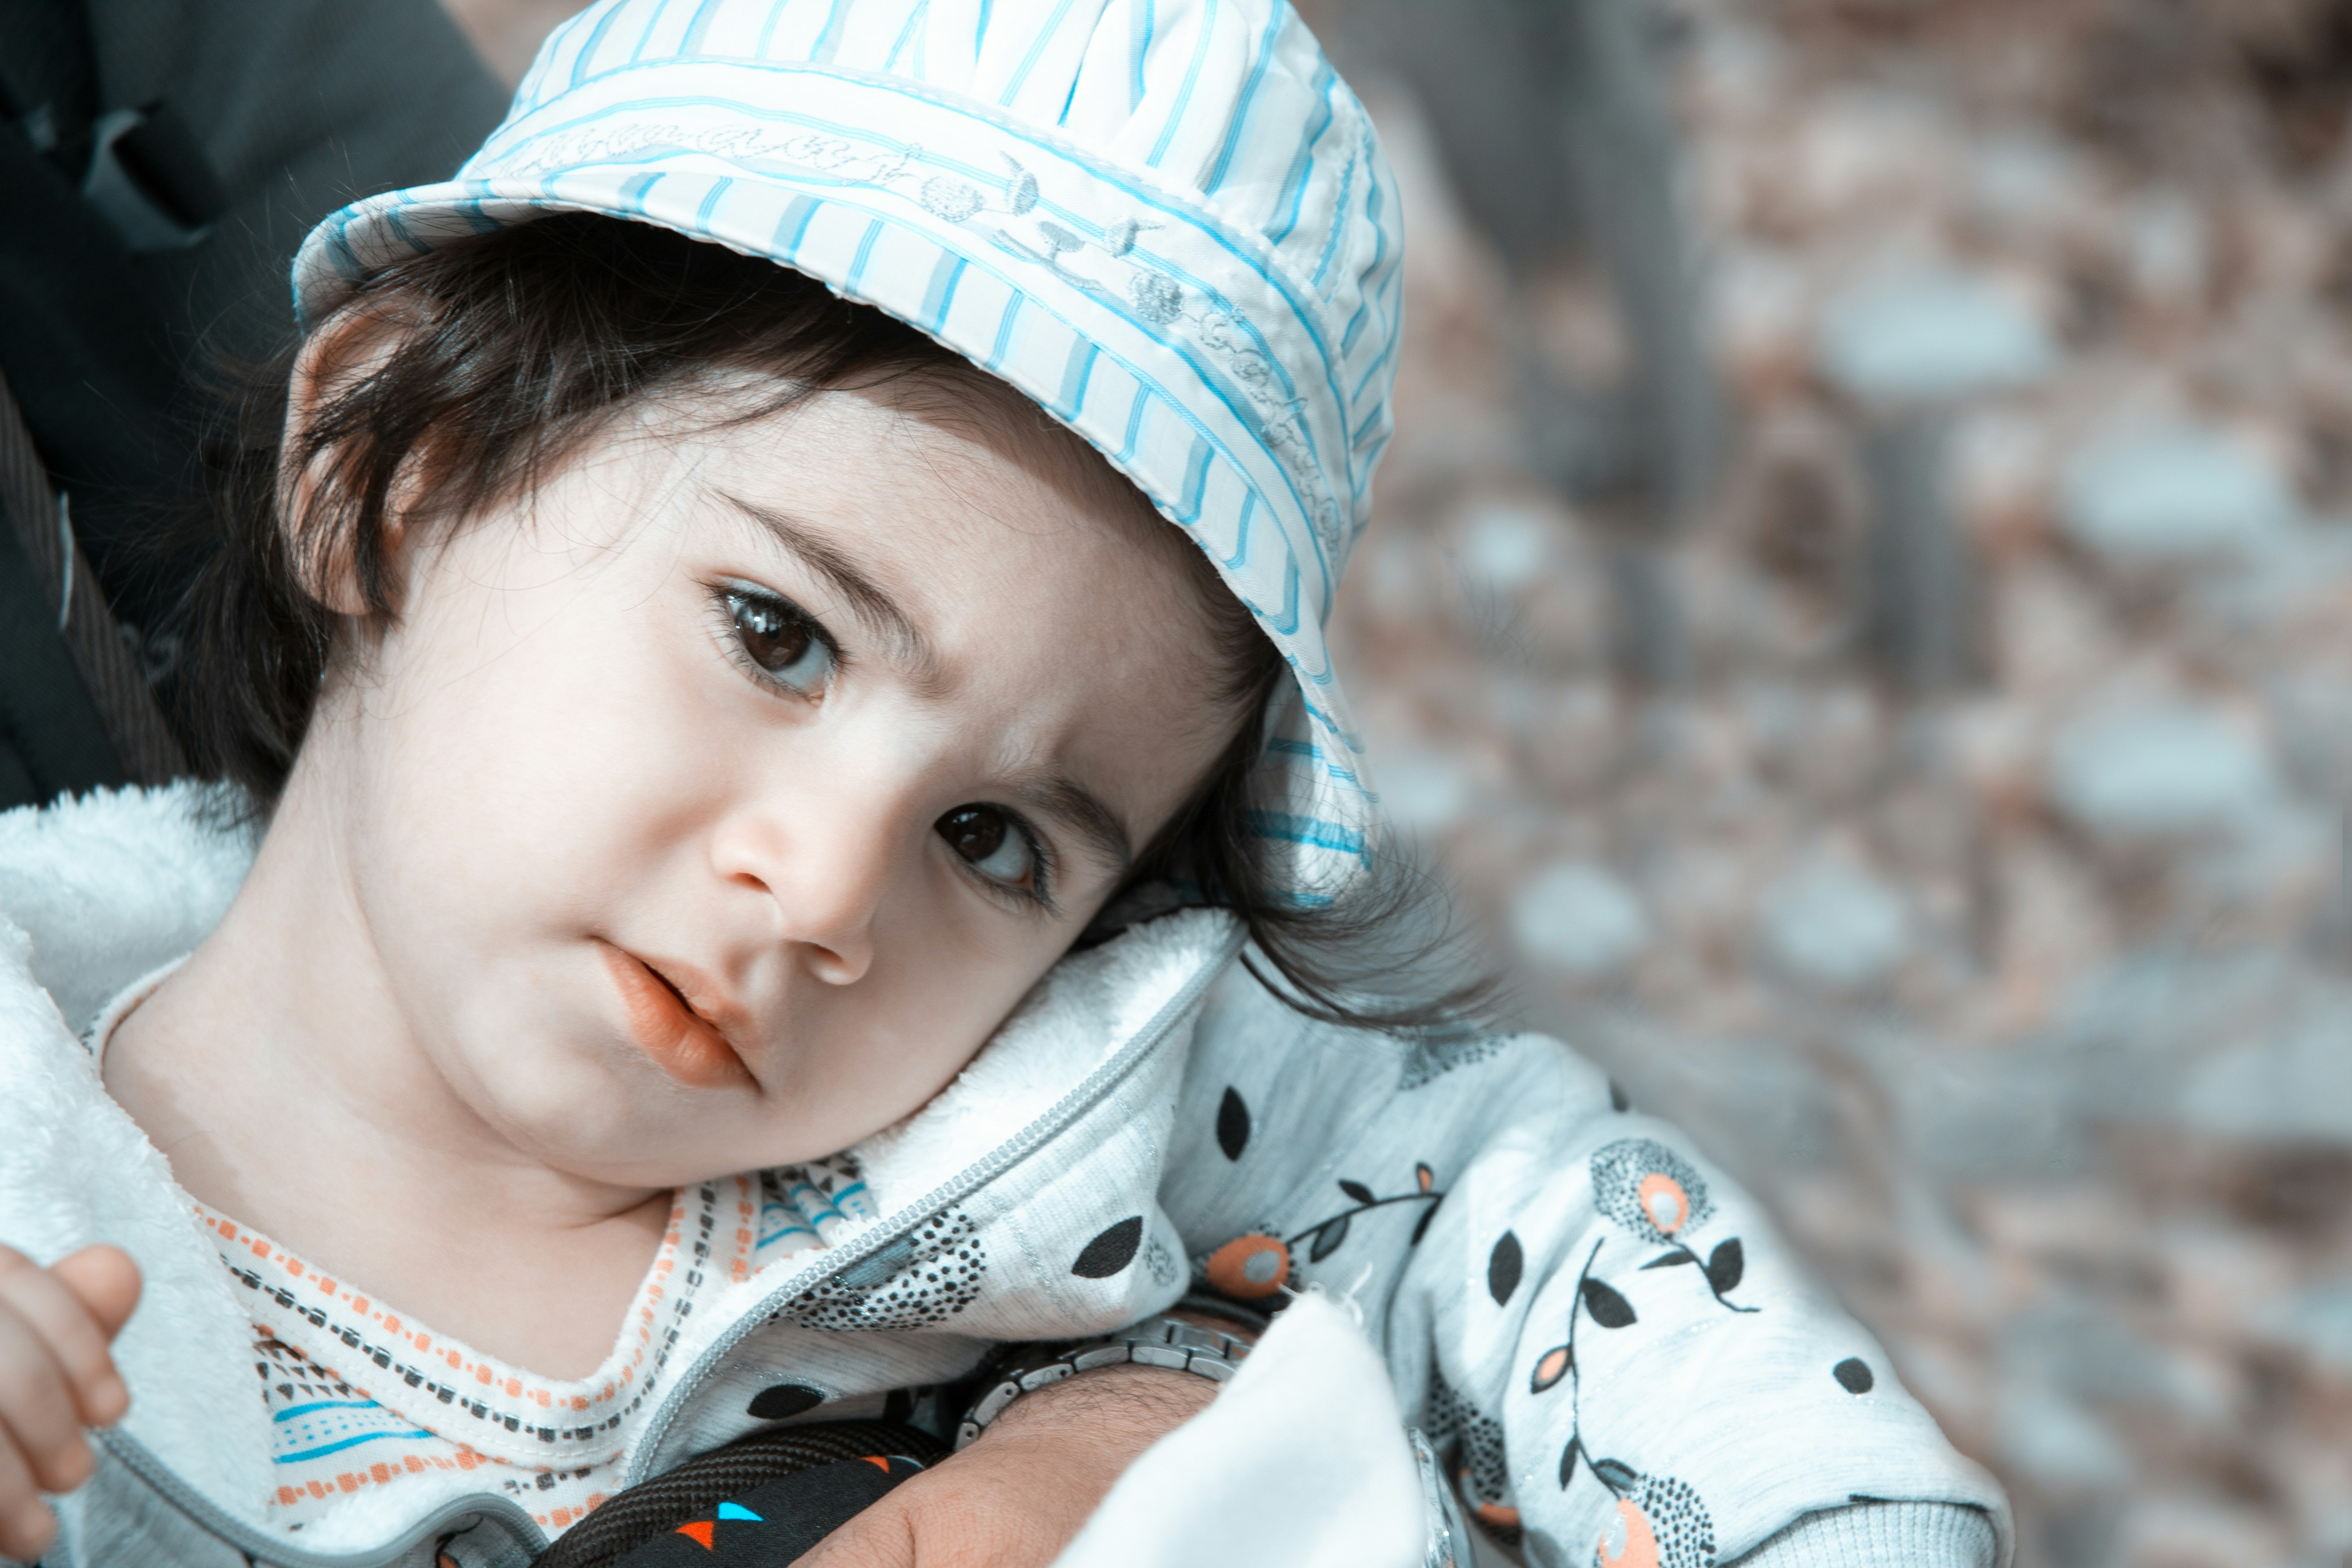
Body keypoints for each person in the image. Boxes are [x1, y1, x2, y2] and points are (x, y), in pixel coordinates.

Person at [0, 2, 2011, 1564]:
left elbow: (1534, 1192)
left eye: (995, 840)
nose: (824, 888)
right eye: (777, 634)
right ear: (393, 473)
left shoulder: (1057, 1097)